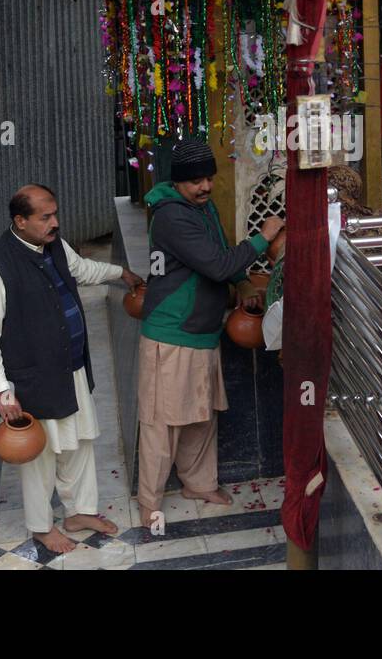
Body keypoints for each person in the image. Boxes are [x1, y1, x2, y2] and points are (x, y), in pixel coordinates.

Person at [0, 185, 144, 555]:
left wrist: (120, 273)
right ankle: (41, 527)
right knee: (40, 456)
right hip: (33, 380)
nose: (55, 222)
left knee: (79, 442)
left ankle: (79, 513)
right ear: (20, 221)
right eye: (45, 217)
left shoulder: (56, 246)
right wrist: (2, 391)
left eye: (55, 214)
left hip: (71, 368)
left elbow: (82, 269)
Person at [136, 139, 283, 528]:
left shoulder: (201, 207)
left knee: (200, 416)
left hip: (202, 331)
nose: (205, 187)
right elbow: (216, 265)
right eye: (196, 181)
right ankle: (148, 501)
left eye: (209, 178)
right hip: (171, 333)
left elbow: (218, 251)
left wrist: (246, 284)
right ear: (179, 181)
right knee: (161, 424)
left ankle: (197, 484)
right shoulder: (171, 216)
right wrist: (262, 238)